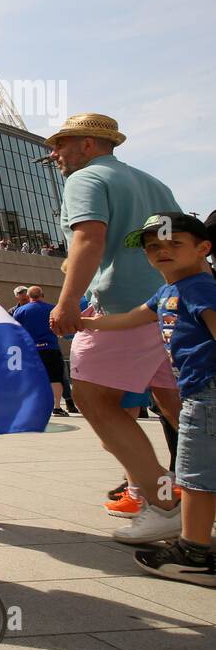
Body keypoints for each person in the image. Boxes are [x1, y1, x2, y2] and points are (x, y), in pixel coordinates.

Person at [46, 115, 184, 545]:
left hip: (124, 307)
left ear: (88, 145)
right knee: (183, 410)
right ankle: (187, 499)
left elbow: (89, 239)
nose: (55, 154)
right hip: (174, 303)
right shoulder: (156, 184)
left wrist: (68, 301)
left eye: (61, 145)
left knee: (93, 398)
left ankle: (163, 505)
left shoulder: (85, 180)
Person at [82, 212, 215, 585]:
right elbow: (133, 318)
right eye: (153, 246)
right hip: (199, 391)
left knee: (195, 477)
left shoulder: (200, 287)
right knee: (199, 471)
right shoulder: (169, 291)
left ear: (203, 248)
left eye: (174, 243)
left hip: (208, 391)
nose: (162, 251)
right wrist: (86, 323)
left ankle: (195, 553)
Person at [12, 286, 68, 418]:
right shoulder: (53, 309)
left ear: (29, 296)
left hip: (30, 350)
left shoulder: (20, 311)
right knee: (55, 378)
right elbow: (60, 327)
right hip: (51, 348)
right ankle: (57, 407)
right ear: (42, 295)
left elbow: (15, 331)